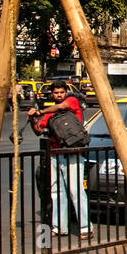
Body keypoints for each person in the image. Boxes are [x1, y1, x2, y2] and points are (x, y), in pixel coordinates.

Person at [28, 82, 89, 239]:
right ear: (52, 94)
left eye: (62, 92)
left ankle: (85, 227)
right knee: (56, 192)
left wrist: (40, 111)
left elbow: (61, 107)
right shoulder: (49, 115)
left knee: (75, 191)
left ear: (66, 92)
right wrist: (33, 119)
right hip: (54, 155)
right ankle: (59, 226)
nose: (59, 95)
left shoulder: (71, 102)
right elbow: (39, 131)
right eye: (56, 93)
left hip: (72, 153)